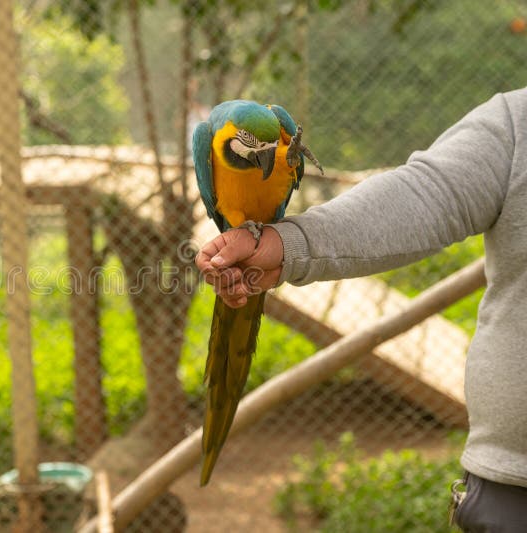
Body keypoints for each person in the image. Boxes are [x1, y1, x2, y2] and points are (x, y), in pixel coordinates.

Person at [195, 88, 527, 532]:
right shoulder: (515, 121)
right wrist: (283, 244)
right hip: (510, 489)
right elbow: (426, 195)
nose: (266, 154)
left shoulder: (278, 127)